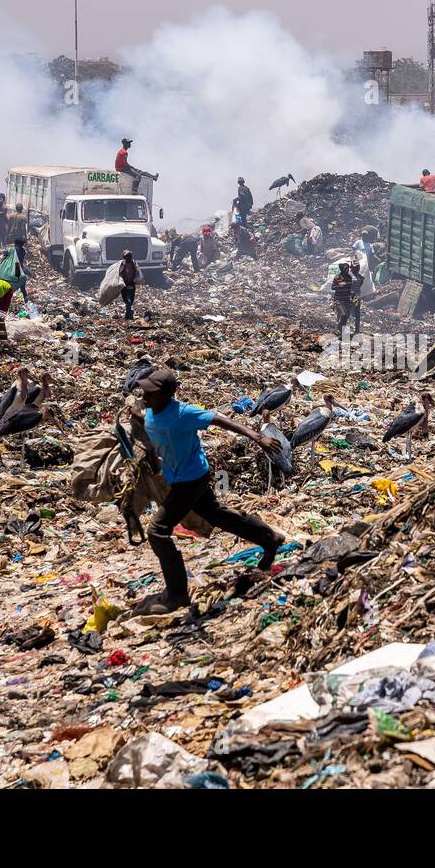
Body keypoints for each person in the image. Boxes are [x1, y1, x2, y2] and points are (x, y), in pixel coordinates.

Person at [130, 369, 284, 615]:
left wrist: (257, 436)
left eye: (149, 391)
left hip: (190, 479)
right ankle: (269, 539)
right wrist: (138, 419)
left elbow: (219, 419)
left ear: (165, 395)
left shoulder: (183, 412)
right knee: (216, 515)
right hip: (179, 478)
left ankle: (177, 594)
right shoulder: (150, 412)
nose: (144, 394)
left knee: (157, 531)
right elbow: (152, 427)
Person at [331, 262, 357, 333]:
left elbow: (353, 286)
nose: (347, 270)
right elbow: (332, 287)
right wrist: (340, 285)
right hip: (339, 299)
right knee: (344, 314)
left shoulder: (349, 277)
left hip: (347, 299)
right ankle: (341, 328)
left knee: (347, 315)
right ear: (342, 269)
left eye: (348, 268)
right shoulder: (337, 277)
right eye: (346, 268)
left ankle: (342, 328)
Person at [119, 250, 140, 320]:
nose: (128, 258)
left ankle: (128, 315)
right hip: (128, 284)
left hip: (129, 284)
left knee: (129, 300)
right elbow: (120, 272)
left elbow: (137, 271)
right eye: (127, 257)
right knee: (128, 300)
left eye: (129, 256)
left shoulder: (131, 263)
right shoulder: (126, 263)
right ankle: (129, 314)